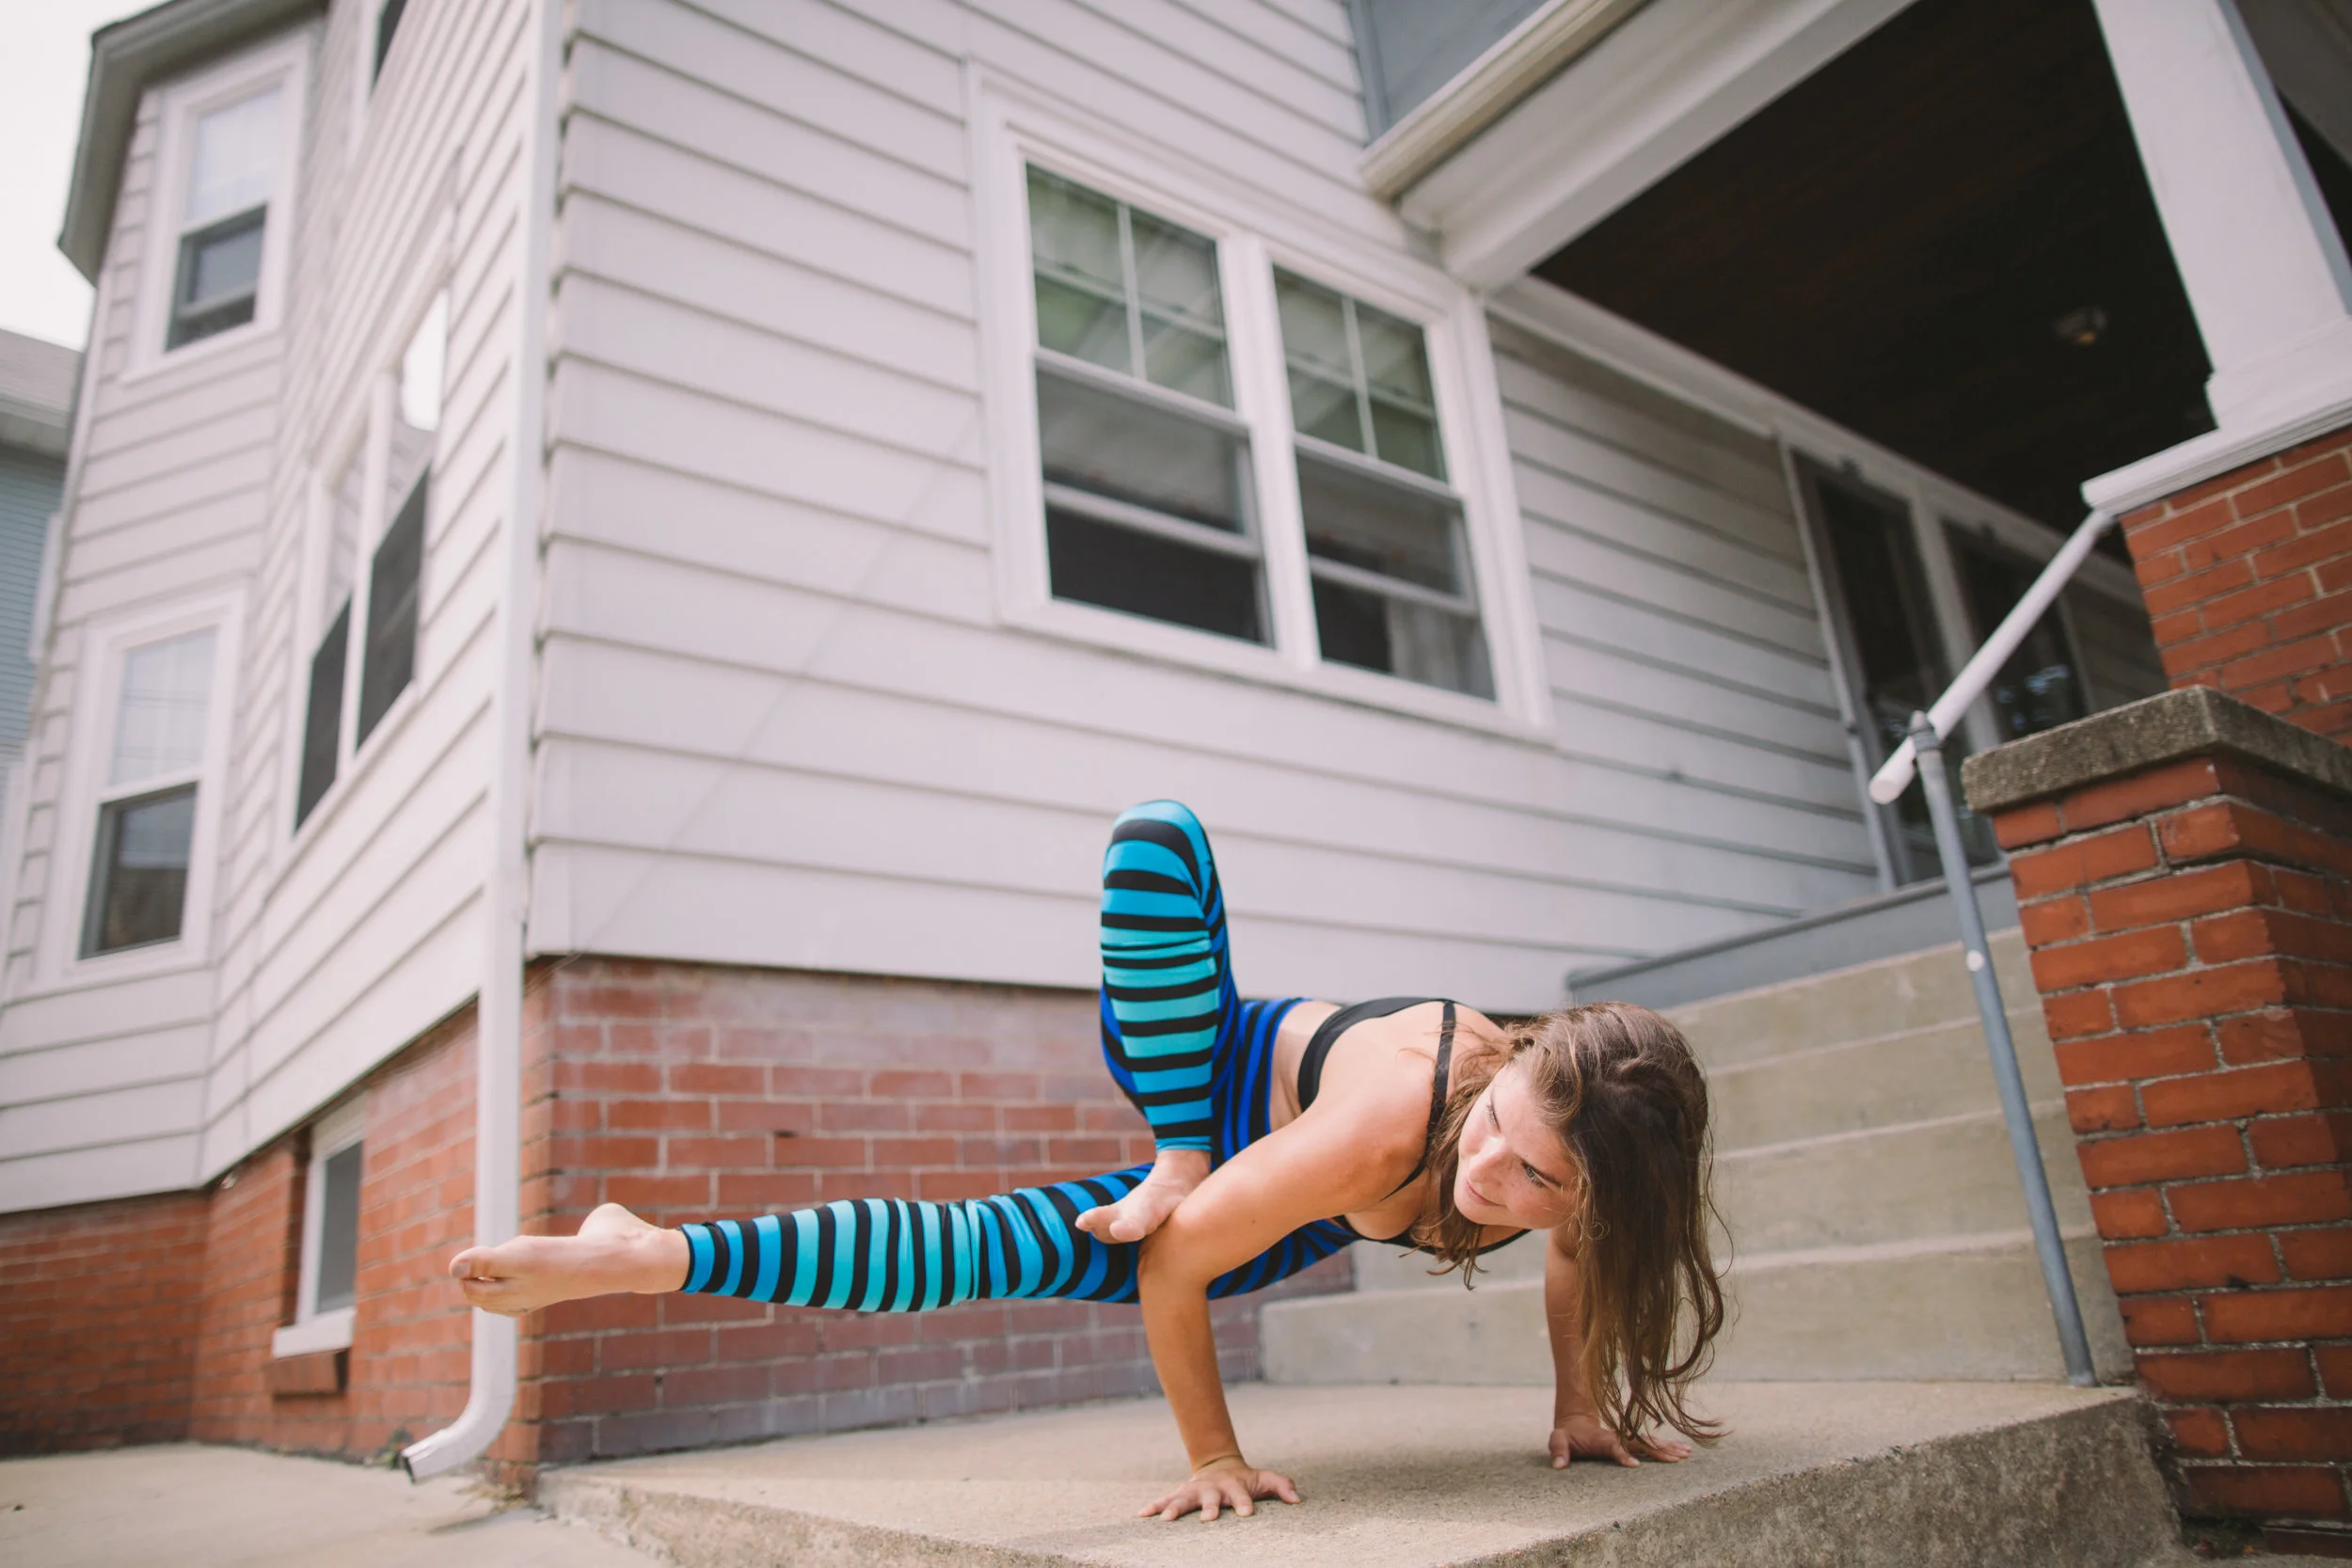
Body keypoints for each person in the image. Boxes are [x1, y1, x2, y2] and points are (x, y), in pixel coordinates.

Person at [451, 800, 1728, 1521]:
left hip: (1297, 1205)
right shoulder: (1400, 1110)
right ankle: (1182, 1145)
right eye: (1498, 1122)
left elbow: (1572, 1257)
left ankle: (643, 1250)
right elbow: (1175, 1269)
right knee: (1158, 838)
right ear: (1514, 1063)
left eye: (1534, 1179)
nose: (1492, 1174)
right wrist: (1214, 1452)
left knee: (988, 1246)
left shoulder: (1575, 1182)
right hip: (1210, 1069)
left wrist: (1574, 1398)